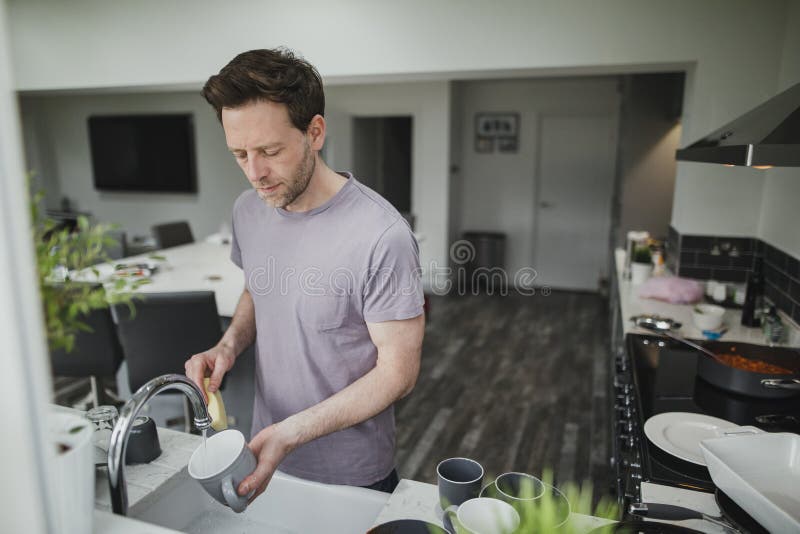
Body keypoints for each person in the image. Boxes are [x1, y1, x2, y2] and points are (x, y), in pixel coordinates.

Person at [185, 48, 425, 502]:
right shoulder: (248, 211)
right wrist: (228, 346)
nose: (255, 173)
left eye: (270, 151)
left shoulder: (381, 235)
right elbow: (258, 290)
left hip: (352, 474)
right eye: (240, 154)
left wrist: (291, 433)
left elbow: (399, 374)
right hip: (263, 454)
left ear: (315, 132)